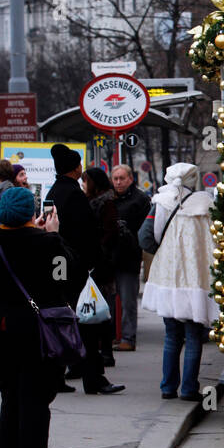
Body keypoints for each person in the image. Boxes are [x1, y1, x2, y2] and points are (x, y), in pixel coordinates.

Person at [0, 187, 79, 448]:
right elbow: (66, 278)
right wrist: (55, 235)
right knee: (35, 398)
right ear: (31, 213)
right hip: (37, 331)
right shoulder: (47, 244)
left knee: (9, 397)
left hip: (0, 330)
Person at [44, 144, 124, 396]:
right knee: (88, 323)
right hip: (78, 269)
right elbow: (86, 235)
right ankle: (94, 379)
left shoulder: (53, 192)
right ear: (75, 168)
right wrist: (94, 264)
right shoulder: (75, 196)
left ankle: (56, 376)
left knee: (60, 321)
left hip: (57, 268)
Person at [139, 162, 218, 401]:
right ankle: (188, 388)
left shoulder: (161, 202)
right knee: (194, 336)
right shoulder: (206, 204)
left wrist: (163, 251)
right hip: (196, 278)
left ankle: (167, 387)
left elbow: (145, 236)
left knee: (172, 335)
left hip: (169, 277)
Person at [82, 166, 121, 369]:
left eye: (85, 181)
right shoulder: (96, 201)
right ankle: (102, 349)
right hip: (99, 261)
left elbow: (110, 231)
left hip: (102, 264)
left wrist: (98, 250)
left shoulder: (105, 203)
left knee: (102, 308)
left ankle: (105, 350)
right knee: (97, 307)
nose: (83, 185)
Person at [111, 164, 151, 351]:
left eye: (121, 178)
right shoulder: (108, 198)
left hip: (129, 257)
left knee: (128, 301)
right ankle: (111, 336)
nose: (118, 182)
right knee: (109, 300)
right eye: (115, 178)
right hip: (109, 257)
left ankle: (128, 338)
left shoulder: (140, 200)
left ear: (130, 179)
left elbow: (145, 229)